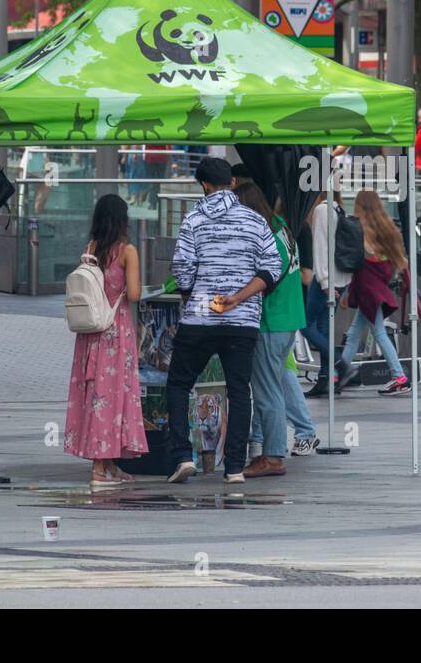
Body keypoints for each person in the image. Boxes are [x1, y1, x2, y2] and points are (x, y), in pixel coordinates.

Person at [165, 157, 282, 485]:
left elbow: (183, 269)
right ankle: (233, 468)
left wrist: (193, 294)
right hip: (242, 320)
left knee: (178, 383)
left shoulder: (193, 219)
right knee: (239, 390)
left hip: (201, 316)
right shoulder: (255, 220)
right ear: (231, 183)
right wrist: (239, 298)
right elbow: (272, 268)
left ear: (204, 185)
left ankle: (182, 456)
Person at [232, 182, 319, 476]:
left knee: (267, 391)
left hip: (271, 320)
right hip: (289, 317)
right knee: (274, 386)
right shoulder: (282, 226)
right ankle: (269, 449)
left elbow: (264, 277)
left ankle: (272, 455)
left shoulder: (266, 236)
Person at [64, 193, 146, 487]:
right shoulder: (127, 251)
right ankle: (99, 468)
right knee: (110, 398)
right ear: (123, 219)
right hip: (116, 331)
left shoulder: (90, 249)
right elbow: (134, 295)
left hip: (91, 334)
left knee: (97, 396)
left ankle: (110, 465)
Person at [340, 189, 411, 396]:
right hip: (377, 289)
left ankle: (399, 377)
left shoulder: (359, 231)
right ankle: (340, 372)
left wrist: (345, 293)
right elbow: (398, 263)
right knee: (354, 333)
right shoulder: (386, 230)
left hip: (366, 291)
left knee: (378, 332)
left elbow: (356, 267)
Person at [302, 192, 352, 399]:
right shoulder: (339, 209)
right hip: (339, 278)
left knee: (304, 325)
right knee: (324, 328)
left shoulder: (322, 209)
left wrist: (323, 281)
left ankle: (340, 363)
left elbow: (321, 248)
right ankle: (325, 378)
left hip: (325, 279)